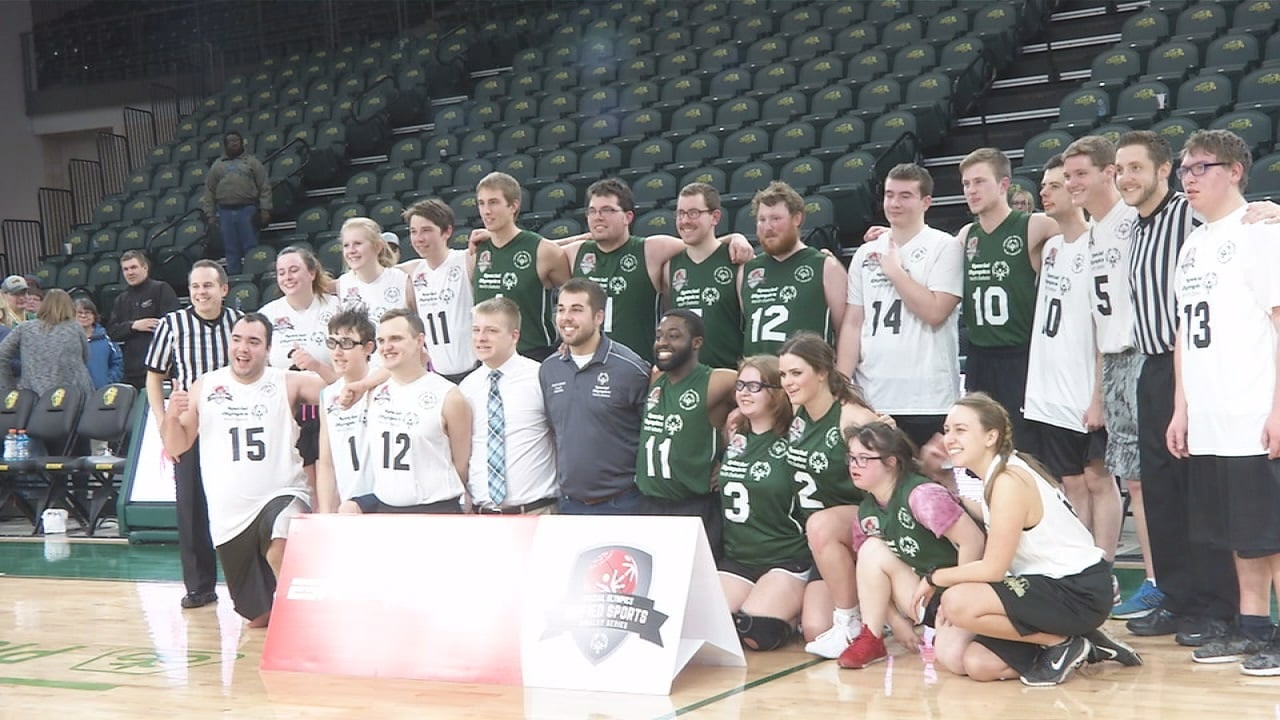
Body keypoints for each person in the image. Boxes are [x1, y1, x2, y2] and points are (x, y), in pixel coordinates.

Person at [920, 393, 1140, 687]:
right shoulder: (1000, 472)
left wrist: (935, 578)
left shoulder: (1009, 481)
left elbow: (992, 570)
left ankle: (1062, 642)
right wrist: (946, 483)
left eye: (961, 430)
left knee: (957, 601)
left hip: (1075, 590)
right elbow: (993, 517)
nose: (949, 439)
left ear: (990, 436)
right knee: (968, 661)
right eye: (947, 430)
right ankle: (1086, 644)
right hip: (1046, 586)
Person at [1115, 130, 1239, 638]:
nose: (1125, 178)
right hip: (1150, 366)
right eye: (1119, 169)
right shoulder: (1136, 226)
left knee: (1197, 491)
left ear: (1164, 170)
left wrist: (1271, 210)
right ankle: (1178, 597)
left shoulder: (1188, 213)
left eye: (1136, 168)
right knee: (1161, 493)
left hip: (1191, 367)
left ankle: (1217, 606)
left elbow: (1236, 215)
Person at [1168, 129, 1280, 673]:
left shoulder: (1262, 232)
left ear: (1234, 170)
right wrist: (1181, 407)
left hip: (1253, 407)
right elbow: (1186, 335)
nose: (1188, 178)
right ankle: (1252, 626)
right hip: (1210, 414)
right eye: (1183, 170)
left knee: (1271, 530)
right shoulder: (1191, 244)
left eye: (1199, 168)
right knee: (1239, 534)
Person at [158, 313, 324, 627]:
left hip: (282, 494)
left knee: (280, 543)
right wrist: (170, 416)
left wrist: (318, 366)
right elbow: (177, 446)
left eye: (253, 341)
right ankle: (282, 612)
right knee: (257, 617)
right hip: (229, 519)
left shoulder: (287, 382)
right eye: (237, 339)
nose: (243, 348)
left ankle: (309, 622)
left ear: (268, 349)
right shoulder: (205, 385)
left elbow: (341, 390)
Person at [1023, 155, 1116, 561]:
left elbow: (1103, 333)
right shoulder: (1051, 248)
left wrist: (1099, 396)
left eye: (1055, 185)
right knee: (1071, 484)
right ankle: (1084, 565)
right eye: (1043, 185)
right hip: (1048, 391)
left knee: (1099, 481)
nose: (1045, 192)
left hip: (1084, 390)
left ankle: (1107, 564)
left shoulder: (1100, 244)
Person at [838, 422, 985, 670]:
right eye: (851, 458)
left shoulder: (923, 496)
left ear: (892, 462)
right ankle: (871, 637)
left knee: (956, 661)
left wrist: (960, 597)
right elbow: (870, 578)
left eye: (864, 458)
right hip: (925, 595)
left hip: (962, 592)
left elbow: (974, 541)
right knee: (871, 551)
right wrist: (896, 622)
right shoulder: (866, 512)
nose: (854, 466)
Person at [836, 163, 962, 449]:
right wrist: (842, 385)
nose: (894, 203)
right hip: (873, 395)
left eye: (905, 196)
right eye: (890, 195)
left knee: (931, 484)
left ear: (925, 202)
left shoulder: (944, 246)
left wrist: (895, 272)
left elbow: (935, 312)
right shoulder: (866, 253)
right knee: (877, 484)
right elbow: (854, 322)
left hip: (926, 398)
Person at [565, 178, 752, 364]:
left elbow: (701, 245)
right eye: (592, 211)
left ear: (628, 217)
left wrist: (736, 238)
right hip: (586, 363)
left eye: (607, 210)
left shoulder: (652, 249)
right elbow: (539, 248)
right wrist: (583, 236)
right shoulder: (576, 252)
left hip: (637, 367)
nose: (598, 216)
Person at [145, 260, 243, 610]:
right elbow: (154, 376)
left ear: (224, 289)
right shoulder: (173, 324)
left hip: (233, 422)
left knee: (239, 501)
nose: (201, 292)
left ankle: (246, 585)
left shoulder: (238, 323)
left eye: (208, 285)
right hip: (189, 423)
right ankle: (200, 586)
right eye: (196, 287)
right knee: (190, 506)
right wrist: (161, 419)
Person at [780, 332, 882, 659]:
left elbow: (894, 475)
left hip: (866, 523)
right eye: (783, 375)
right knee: (813, 627)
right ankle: (856, 613)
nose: (788, 382)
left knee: (821, 524)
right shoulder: (798, 414)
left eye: (797, 373)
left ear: (822, 372)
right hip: (827, 543)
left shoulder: (851, 417)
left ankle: (853, 620)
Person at [956, 148, 1059, 451]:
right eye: (965, 184)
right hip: (979, 359)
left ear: (1003, 185)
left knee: (1026, 450)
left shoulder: (1034, 225)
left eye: (979, 182)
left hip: (1020, 357)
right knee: (983, 452)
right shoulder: (965, 235)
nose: (971, 190)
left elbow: (1079, 232)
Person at [718, 355, 811, 652]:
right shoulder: (734, 437)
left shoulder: (796, 439)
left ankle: (798, 608)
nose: (744, 392)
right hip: (739, 559)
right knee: (709, 625)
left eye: (755, 386)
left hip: (785, 558)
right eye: (741, 385)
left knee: (757, 633)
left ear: (776, 391)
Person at [339, 309, 471, 514]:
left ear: (419, 341)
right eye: (381, 340)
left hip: (436, 510)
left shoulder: (449, 396)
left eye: (396, 338)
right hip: (386, 508)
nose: (387, 347)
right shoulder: (374, 391)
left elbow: (461, 463)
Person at [540, 278, 651, 514]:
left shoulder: (631, 369)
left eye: (577, 310)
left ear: (599, 317)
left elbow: (651, 433)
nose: (566, 317)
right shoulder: (549, 369)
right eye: (561, 309)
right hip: (569, 504)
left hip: (623, 503)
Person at [636, 309, 737, 546]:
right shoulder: (655, 377)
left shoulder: (716, 381)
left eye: (674, 336)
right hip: (648, 505)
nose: (663, 343)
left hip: (693, 507)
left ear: (696, 342)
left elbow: (768, 393)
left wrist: (733, 459)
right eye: (659, 336)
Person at [459, 297, 559, 514]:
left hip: (536, 512)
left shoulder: (541, 377)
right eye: (476, 330)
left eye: (491, 331)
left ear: (514, 336)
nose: (481, 338)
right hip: (483, 515)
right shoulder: (466, 387)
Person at [259, 245, 340, 488]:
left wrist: (315, 365)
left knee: (334, 483)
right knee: (305, 485)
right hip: (290, 413)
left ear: (312, 273)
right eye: (282, 272)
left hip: (333, 407)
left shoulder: (336, 307)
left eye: (294, 270)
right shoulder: (268, 315)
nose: (287, 277)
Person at [470, 172, 570, 361]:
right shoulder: (477, 250)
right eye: (481, 203)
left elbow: (576, 295)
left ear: (513, 206)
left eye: (493, 202)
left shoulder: (543, 250)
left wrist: (570, 337)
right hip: (487, 358)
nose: (486, 211)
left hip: (533, 355)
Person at [741, 181, 847, 356]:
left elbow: (847, 332)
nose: (768, 227)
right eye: (762, 220)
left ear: (797, 219)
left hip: (806, 378)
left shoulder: (825, 265)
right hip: (759, 380)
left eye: (776, 218)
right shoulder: (747, 270)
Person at [666, 182, 745, 369]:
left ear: (715, 217)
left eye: (693, 213)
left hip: (727, 375)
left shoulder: (736, 260)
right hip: (684, 376)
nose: (685, 220)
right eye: (680, 213)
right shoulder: (669, 264)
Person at [400, 199, 478, 382]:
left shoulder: (466, 260)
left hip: (474, 370)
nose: (418, 238)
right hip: (439, 375)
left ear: (447, 231)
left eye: (426, 230)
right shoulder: (412, 271)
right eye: (413, 232)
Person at [314, 308, 376, 513]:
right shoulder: (328, 395)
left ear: (368, 348)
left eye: (347, 344)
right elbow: (326, 462)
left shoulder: (384, 383)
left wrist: (365, 385)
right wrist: (325, 512)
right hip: (350, 499)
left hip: (385, 498)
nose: (337, 352)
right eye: (332, 343)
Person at [0, 289, 94, 397]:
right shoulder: (75, 328)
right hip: (74, 396)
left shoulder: (25, 328)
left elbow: (2, 355)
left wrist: (8, 388)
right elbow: (85, 358)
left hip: (34, 396)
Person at [108, 250, 180, 389]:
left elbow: (175, 323)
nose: (130, 272)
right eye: (125, 269)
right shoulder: (121, 299)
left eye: (133, 267)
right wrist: (133, 326)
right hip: (132, 371)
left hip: (160, 367)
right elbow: (112, 332)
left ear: (145, 267)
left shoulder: (161, 289)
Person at [201, 131, 270, 275]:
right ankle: (235, 279)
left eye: (237, 140)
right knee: (231, 249)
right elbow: (209, 191)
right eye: (231, 141)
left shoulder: (252, 162)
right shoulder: (217, 166)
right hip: (225, 212)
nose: (234, 143)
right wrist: (210, 214)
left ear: (242, 142)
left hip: (247, 209)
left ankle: (255, 275)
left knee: (251, 246)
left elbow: (264, 186)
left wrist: (265, 209)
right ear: (225, 145)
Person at [337, 217, 411, 327]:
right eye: (346, 245)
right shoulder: (343, 284)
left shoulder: (401, 279)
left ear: (377, 247)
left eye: (357, 243)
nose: (351, 251)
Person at [75, 297, 123, 389]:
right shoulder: (69, 340)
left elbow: (117, 362)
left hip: (102, 392)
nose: (83, 316)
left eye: (87, 312)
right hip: (77, 395)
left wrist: (108, 381)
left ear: (94, 315)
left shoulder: (106, 338)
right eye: (79, 313)